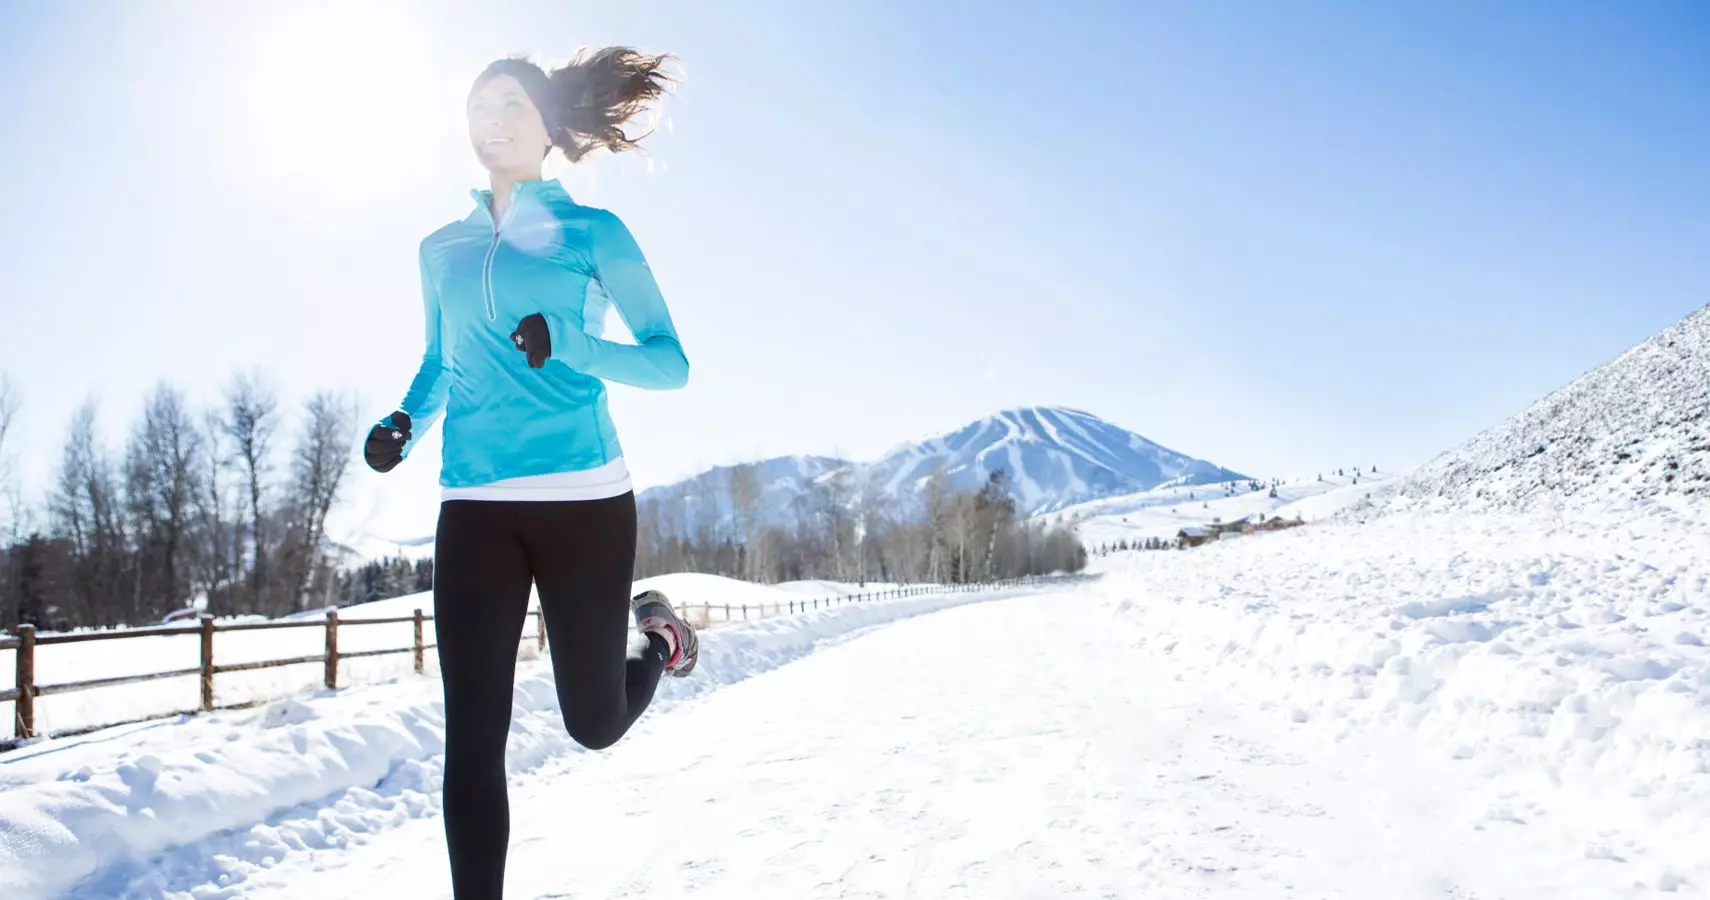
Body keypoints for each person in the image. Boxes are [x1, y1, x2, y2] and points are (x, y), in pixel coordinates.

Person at [362, 47, 699, 900]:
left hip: (584, 498)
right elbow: (440, 361)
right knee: (472, 734)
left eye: (510, 104)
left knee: (592, 724)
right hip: (474, 503)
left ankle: (658, 640)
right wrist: (404, 421)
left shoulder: (595, 235)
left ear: (548, 126)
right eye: (479, 108)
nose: (492, 122)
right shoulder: (441, 249)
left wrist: (573, 344)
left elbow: (670, 364)